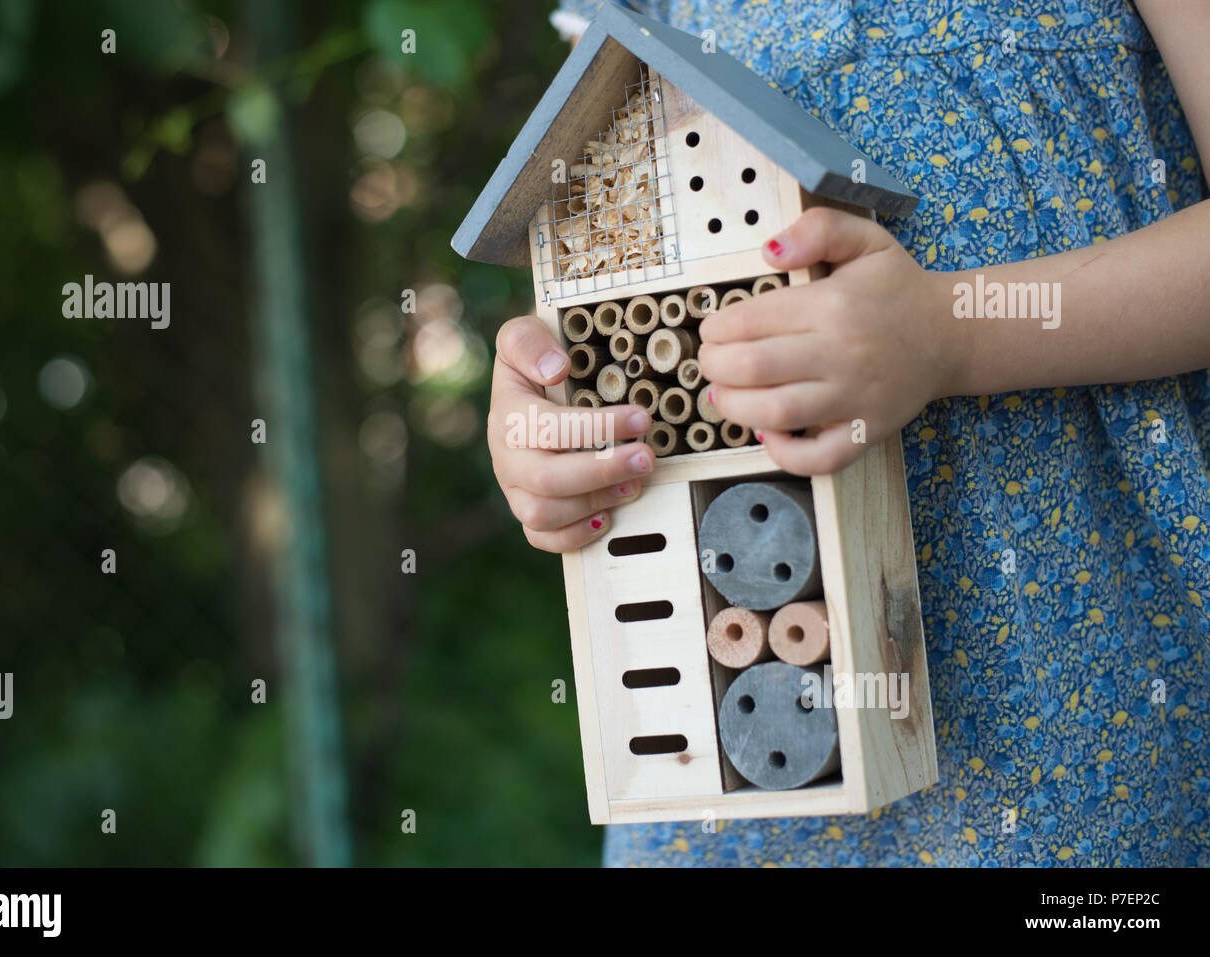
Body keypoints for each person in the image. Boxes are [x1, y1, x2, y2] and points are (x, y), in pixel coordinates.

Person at [486, 0, 1210, 865]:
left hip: (1072, 719)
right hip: (732, 777)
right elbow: (590, 253)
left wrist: (953, 334)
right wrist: (548, 418)